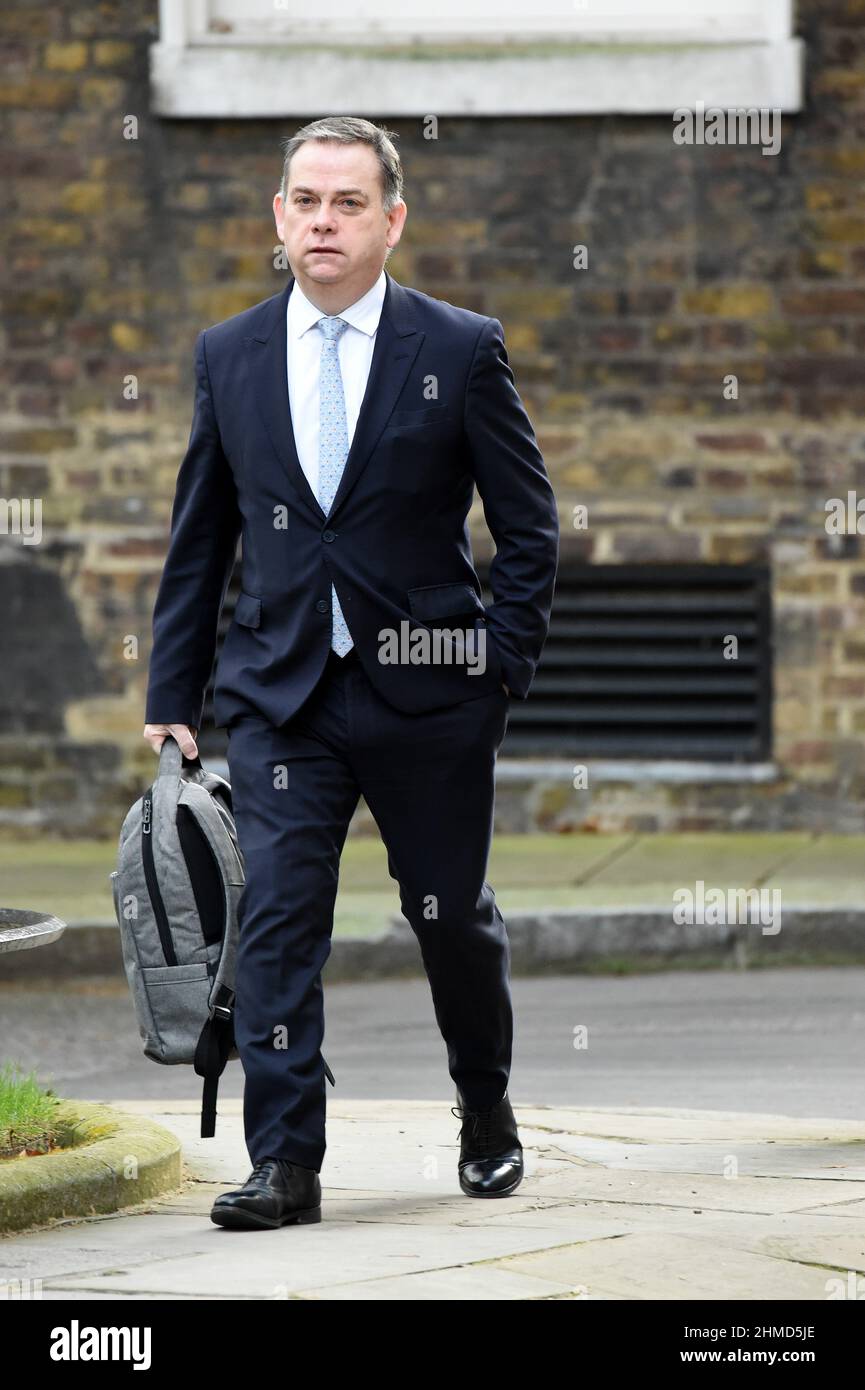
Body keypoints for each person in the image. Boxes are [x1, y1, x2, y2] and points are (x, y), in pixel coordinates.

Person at [143, 116, 560, 1230]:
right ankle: (284, 1161)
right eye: (305, 201)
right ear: (278, 218)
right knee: (278, 921)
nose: (323, 221)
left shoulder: (459, 348)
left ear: (391, 221)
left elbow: (529, 527)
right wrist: (171, 697)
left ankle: (485, 1106)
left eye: (348, 203)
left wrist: (499, 668)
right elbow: (200, 540)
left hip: (431, 694)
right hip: (279, 694)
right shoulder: (228, 355)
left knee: (448, 917)